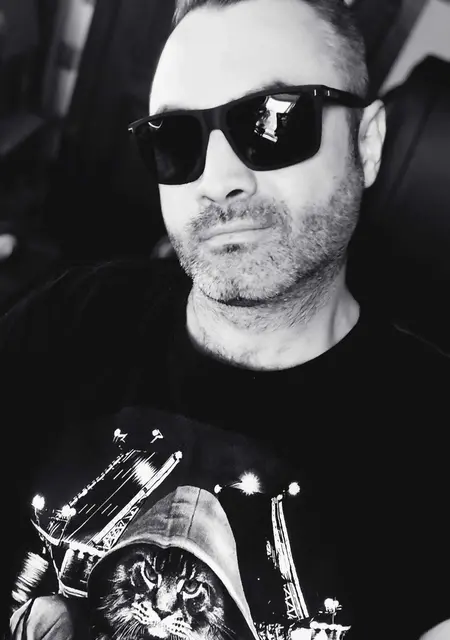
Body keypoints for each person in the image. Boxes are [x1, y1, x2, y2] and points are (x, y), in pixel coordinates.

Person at [1, 0, 449, 639]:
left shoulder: (432, 438)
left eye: (274, 121)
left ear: (368, 142)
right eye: (175, 139)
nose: (217, 181)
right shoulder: (74, 312)